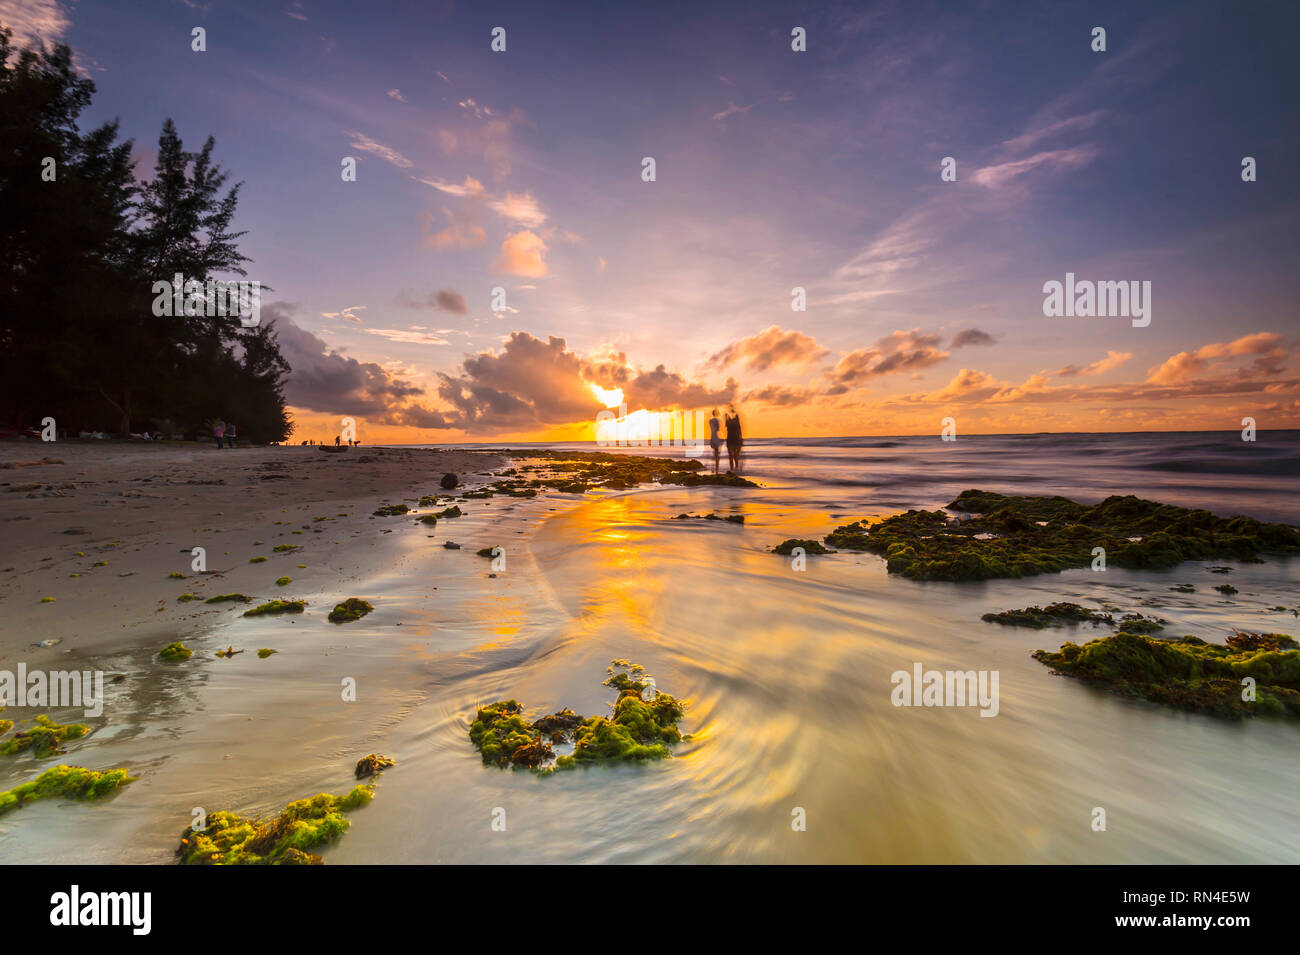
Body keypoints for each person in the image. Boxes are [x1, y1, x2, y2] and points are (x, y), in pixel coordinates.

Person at [724, 405, 743, 473]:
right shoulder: (728, 418)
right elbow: (726, 425)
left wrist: (741, 437)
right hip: (731, 438)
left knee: (734, 454)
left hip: (734, 438)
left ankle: (736, 468)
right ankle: (732, 469)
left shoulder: (736, 417)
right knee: (731, 455)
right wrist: (726, 418)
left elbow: (739, 427)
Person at [707, 408, 723, 474]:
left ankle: (713, 467)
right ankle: (716, 468)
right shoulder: (717, 420)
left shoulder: (710, 420)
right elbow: (718, 429)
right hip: (716, 437)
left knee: (715, 453)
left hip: (712, 437)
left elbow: (712, 428)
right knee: (717, 454)